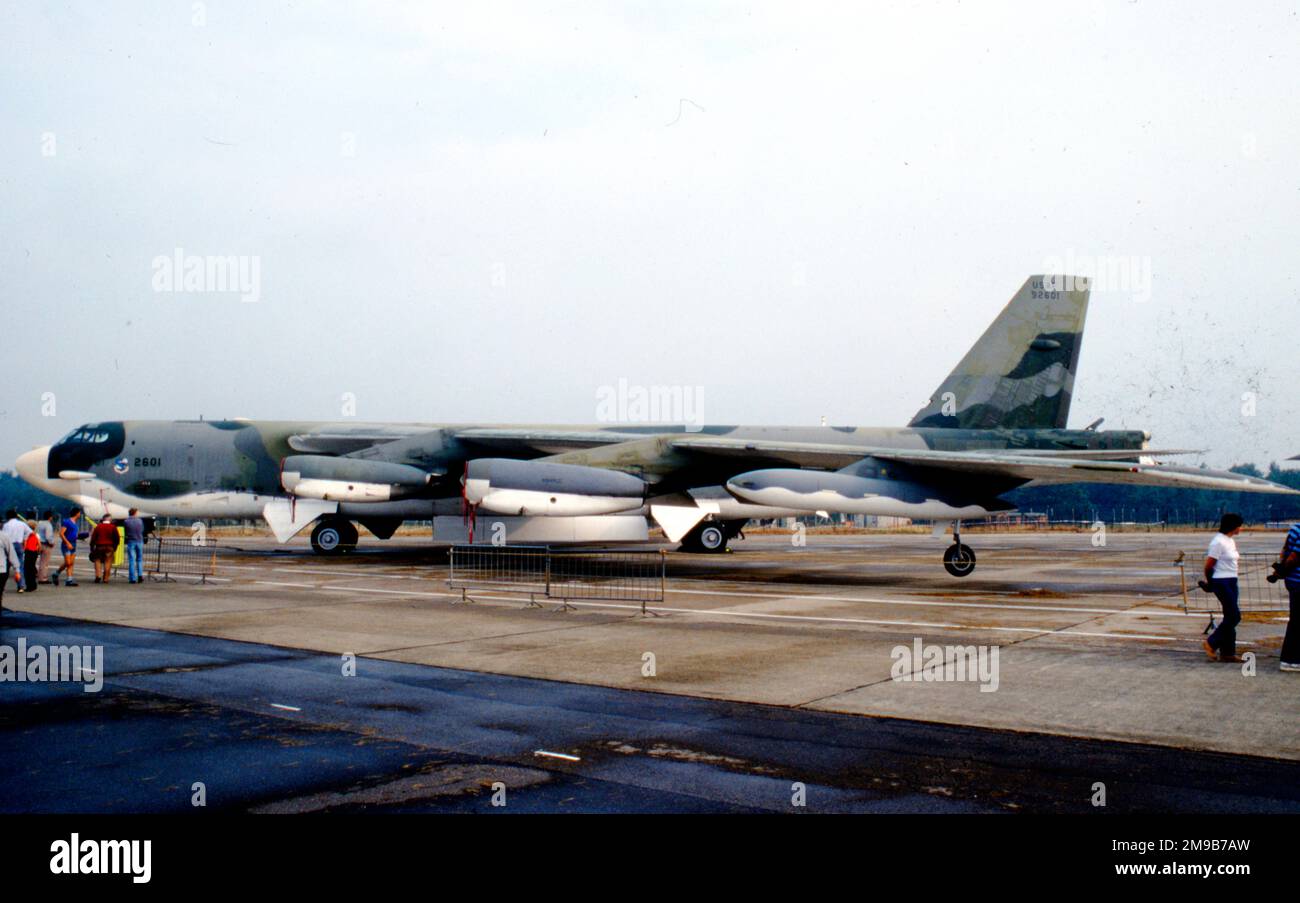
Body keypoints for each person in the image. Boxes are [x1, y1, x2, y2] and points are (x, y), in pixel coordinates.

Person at [1202, 513, 1246, 663]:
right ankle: (1211, 642)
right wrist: (1211, 583)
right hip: (1221, 581)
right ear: (1233, 526)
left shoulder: (1229, 540)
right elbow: (1208, 566)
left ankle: (1228, 653)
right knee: (1235, 616)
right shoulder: (1218, 542)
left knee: (1229, 616)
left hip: (1232, 579)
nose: (1241, 528)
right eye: (1239, 525)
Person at [1274, 522, 1300, 672]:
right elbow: (1295, 556)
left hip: (1293, 580)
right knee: (1297, 622)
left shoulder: (1295, 528)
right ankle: (1291, 660)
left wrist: (1281, 571)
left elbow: (1284, 550)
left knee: (1296, 621)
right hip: (1298, 580)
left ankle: (1290, 658)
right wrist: (1284, 570)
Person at [2, 509, 34, 594]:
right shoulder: (22, 524)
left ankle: (2, 586)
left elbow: (4, 537)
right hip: (19, 544)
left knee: (6, 566)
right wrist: (25, 539)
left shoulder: (6, 525)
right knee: (19, 566)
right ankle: (21, 586)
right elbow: (30, 532)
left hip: (9, 544)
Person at [52, 507, 82, 587]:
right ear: (76, 513)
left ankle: (69, 579)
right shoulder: (67, 522)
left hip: (74, 544)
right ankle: (56, 573)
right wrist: (68, 543)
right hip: (66, 544)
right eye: (79, 513)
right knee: (68, 563)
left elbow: (73, 534)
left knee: (71, 563)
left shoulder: (76, 523)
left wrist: (80, 537)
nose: (80, 514)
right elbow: (61, 534)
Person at [88, 515, 120, 584]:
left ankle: (98, 576)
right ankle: (106, 578)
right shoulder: (113, 527)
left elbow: (93, 538)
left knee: (97, 560)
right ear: (110, 520)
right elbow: (117, 539)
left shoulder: (98, 527)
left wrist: (92, 547)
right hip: (110, 547)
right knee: (108, 562)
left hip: (99, 546)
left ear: (103, 519)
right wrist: (114, 548)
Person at [122, 508, 146, 585]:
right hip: (139, 540)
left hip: (131, 541)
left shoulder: (126, 521)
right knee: (139, 559)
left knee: (131, 560)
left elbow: (125, 530)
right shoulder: (140, 521)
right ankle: (140, 575)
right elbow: (142, 530)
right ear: (135, 513)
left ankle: (132, 578)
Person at [0, 526, 18, 618]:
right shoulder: (4, 536)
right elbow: (12, 554)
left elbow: (11, 554)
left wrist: (17, 569)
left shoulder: (4, 536)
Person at [36, 511, 56, 584]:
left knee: (40, 562)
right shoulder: (48, 525)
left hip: (39, 544)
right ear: (50, 517)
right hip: (46, 544)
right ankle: (43, 578)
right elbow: (48, 536)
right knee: (45, 562)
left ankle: (39, 575)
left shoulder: (39, 523)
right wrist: (52, 543)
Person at [22, 521, 41, 595]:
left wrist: (23, 549)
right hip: (34, 552)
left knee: (27, 569)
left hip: (28, 551)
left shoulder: (27, 534)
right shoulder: (36, 534)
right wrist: (38, 550)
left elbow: (25, 543)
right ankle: (33, 585)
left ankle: (29, 586)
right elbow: (39, 544)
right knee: (32, 568)